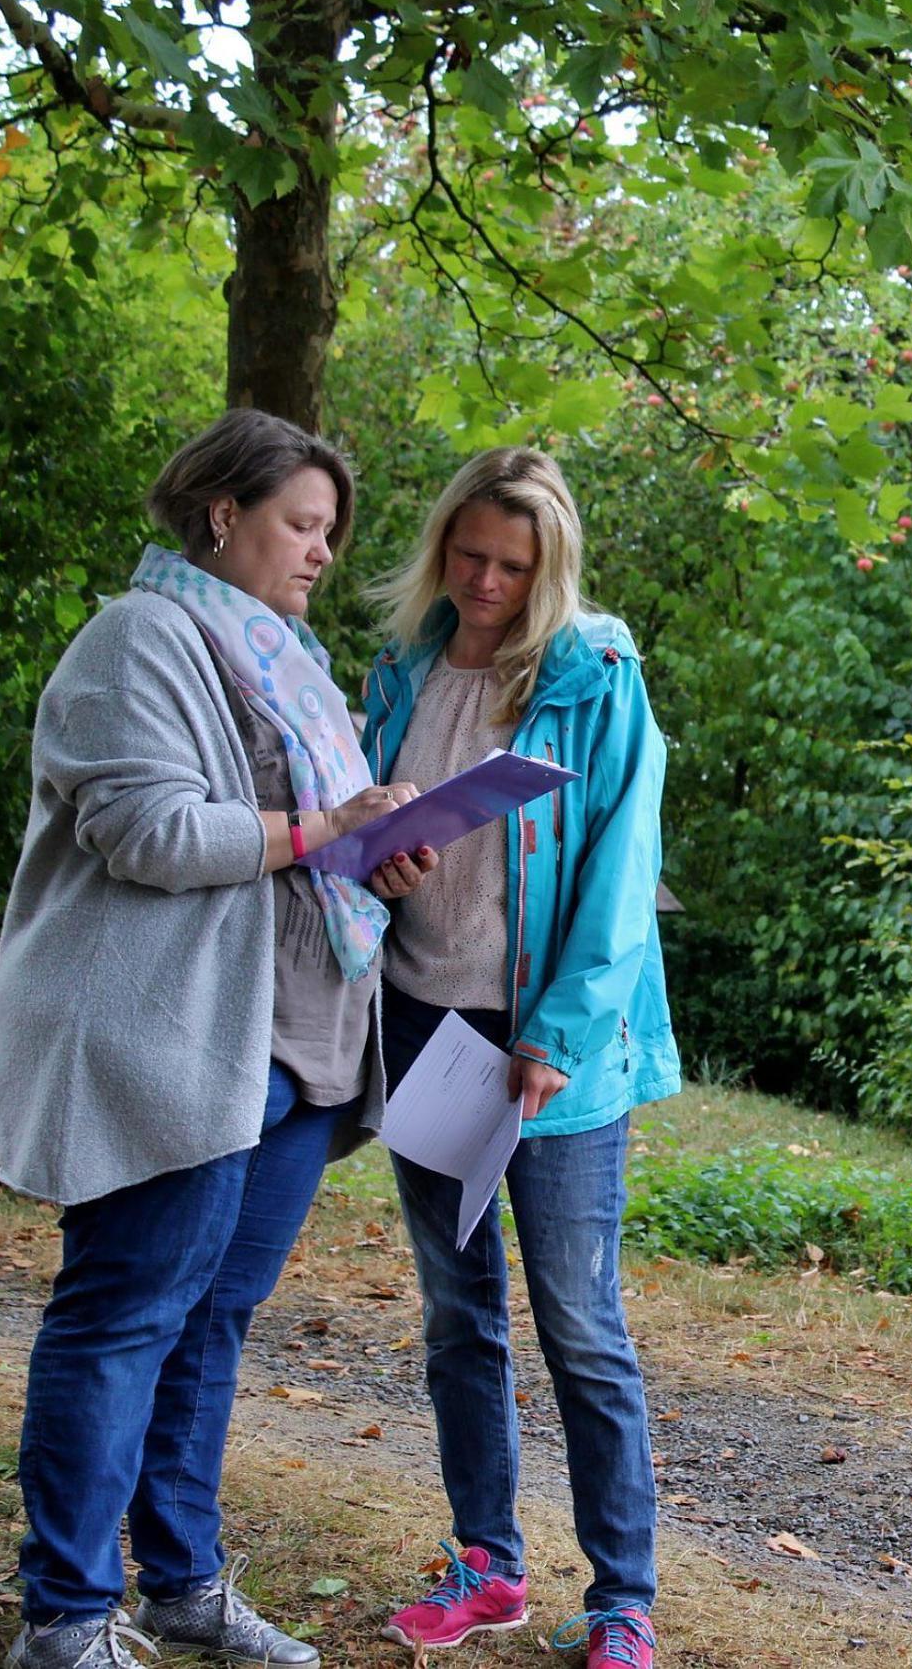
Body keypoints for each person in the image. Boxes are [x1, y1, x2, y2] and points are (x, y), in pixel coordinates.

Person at [0, 409, 438, 1669]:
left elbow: (306, 843)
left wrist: (371, 855)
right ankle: (66, 1619)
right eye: (301, 524)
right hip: (174, 1040)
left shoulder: (282, 659)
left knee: (211, 1322)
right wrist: (319, 828)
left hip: (298, 1043)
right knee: (124, 1316)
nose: (321, 553)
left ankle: (184, 1586)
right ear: (221, 514)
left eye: (331, 533)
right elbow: (150, 834)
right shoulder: (136, 640)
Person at [361, 449, 680, 1669]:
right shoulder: (400, 670)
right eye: (470, 554)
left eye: (514, 564)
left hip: (555, 1051)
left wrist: (558, 1033)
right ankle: (486, 1564)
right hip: (424, 1025)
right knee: (458, 1317)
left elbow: (620, 867)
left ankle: (623, 1603)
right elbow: (374, 829)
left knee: (580, 1326)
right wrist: (382, 856)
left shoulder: (595, 673)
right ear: (443, 543)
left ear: (550, 568)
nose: (486, 581)